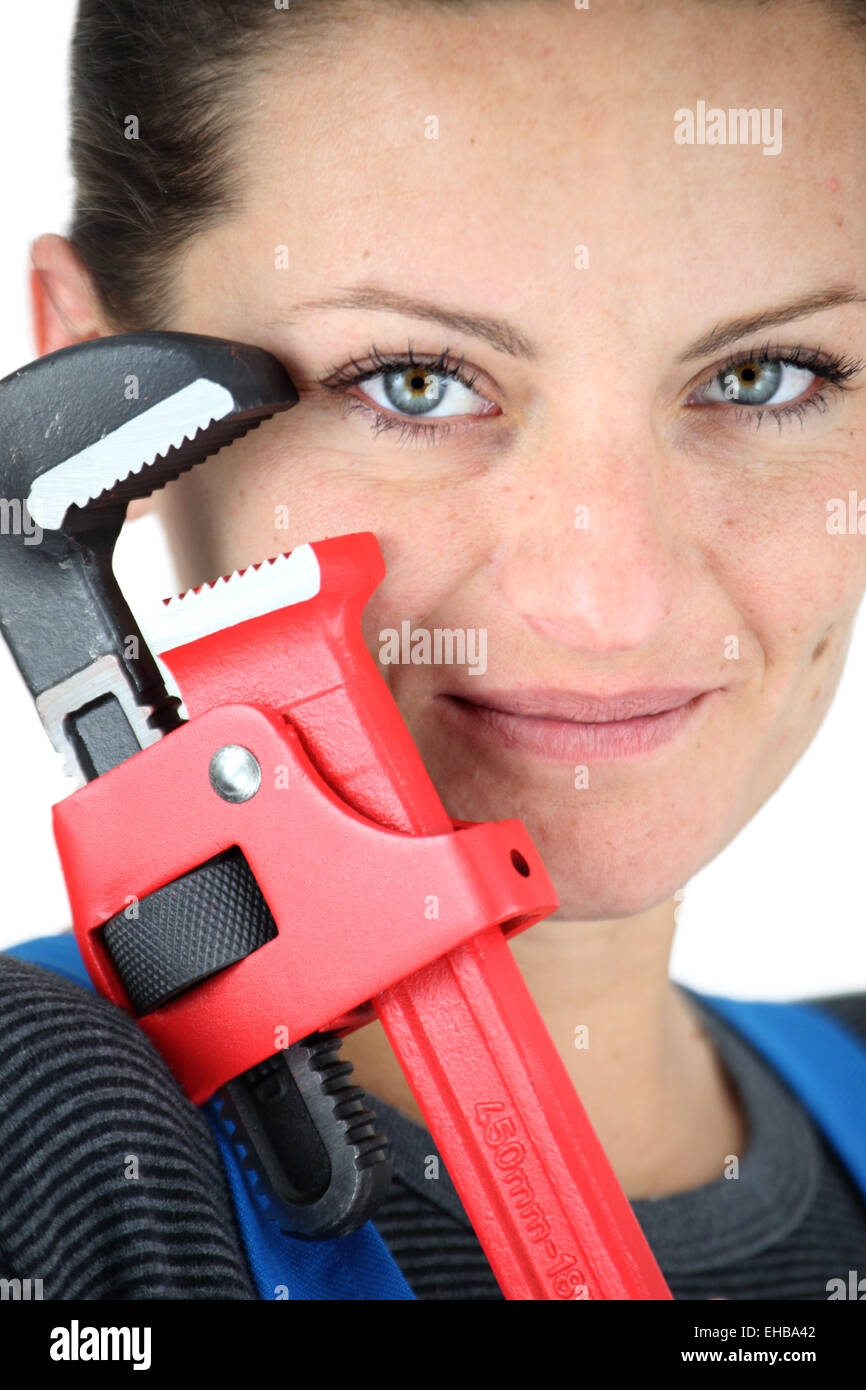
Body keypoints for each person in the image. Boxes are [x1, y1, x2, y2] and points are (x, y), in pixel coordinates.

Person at [4, 0, 866, 1300]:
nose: (607, 597)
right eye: (413, 380)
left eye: (763, 376)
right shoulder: (37, 1134)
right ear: (89, 356)